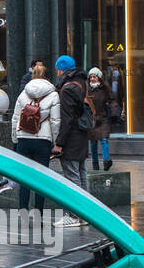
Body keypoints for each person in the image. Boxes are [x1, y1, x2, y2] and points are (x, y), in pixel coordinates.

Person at [10, 72, 59, 212]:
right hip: (43, 141)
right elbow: (55, 122)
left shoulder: (23, 94)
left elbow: (15, 118)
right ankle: (38, 214)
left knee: (24, 178)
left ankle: (23, 210)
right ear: (46, 78)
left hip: (23, 139)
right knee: (41, 179)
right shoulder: (53, 95)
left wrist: (15, 139)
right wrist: (55, 142)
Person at [51, 55, 90, 229]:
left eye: (57, 69)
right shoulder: (82, 83)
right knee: (82, 175)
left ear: (61, 70)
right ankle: (87, 213)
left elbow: (66, 120)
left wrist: (59, 143)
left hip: (72, 138)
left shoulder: (66, 89)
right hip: (82, 135)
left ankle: (74, 215)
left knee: (72, 177)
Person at [85, 67, 113, 171]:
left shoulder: (105, 89)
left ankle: (106, 162)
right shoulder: (86, 89)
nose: (92, 79)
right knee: (93, 142)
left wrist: (114, 115)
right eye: (91, 77)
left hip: (103, 117)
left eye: (94, 77)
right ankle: (95, 164)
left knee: (104, 140)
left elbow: (112, 101)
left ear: (99, 78)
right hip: (92, 119)